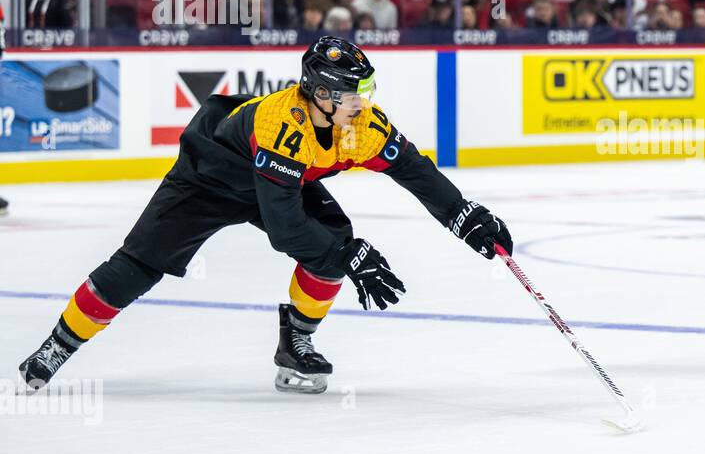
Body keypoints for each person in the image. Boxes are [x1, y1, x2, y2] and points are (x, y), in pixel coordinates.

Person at [19, 36, 513, 394]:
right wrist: (348, 254)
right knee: (139, 265)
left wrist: (462, 213)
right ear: (322, 94)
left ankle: (294, 342)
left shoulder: (358, 124)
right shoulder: (283, 125)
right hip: (209, 178)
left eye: (367, 90)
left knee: (333, 244)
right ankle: (58, 344)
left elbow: (411, 169)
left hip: (280, 181)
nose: (364, 103)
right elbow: (284, 227)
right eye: (354, 93)